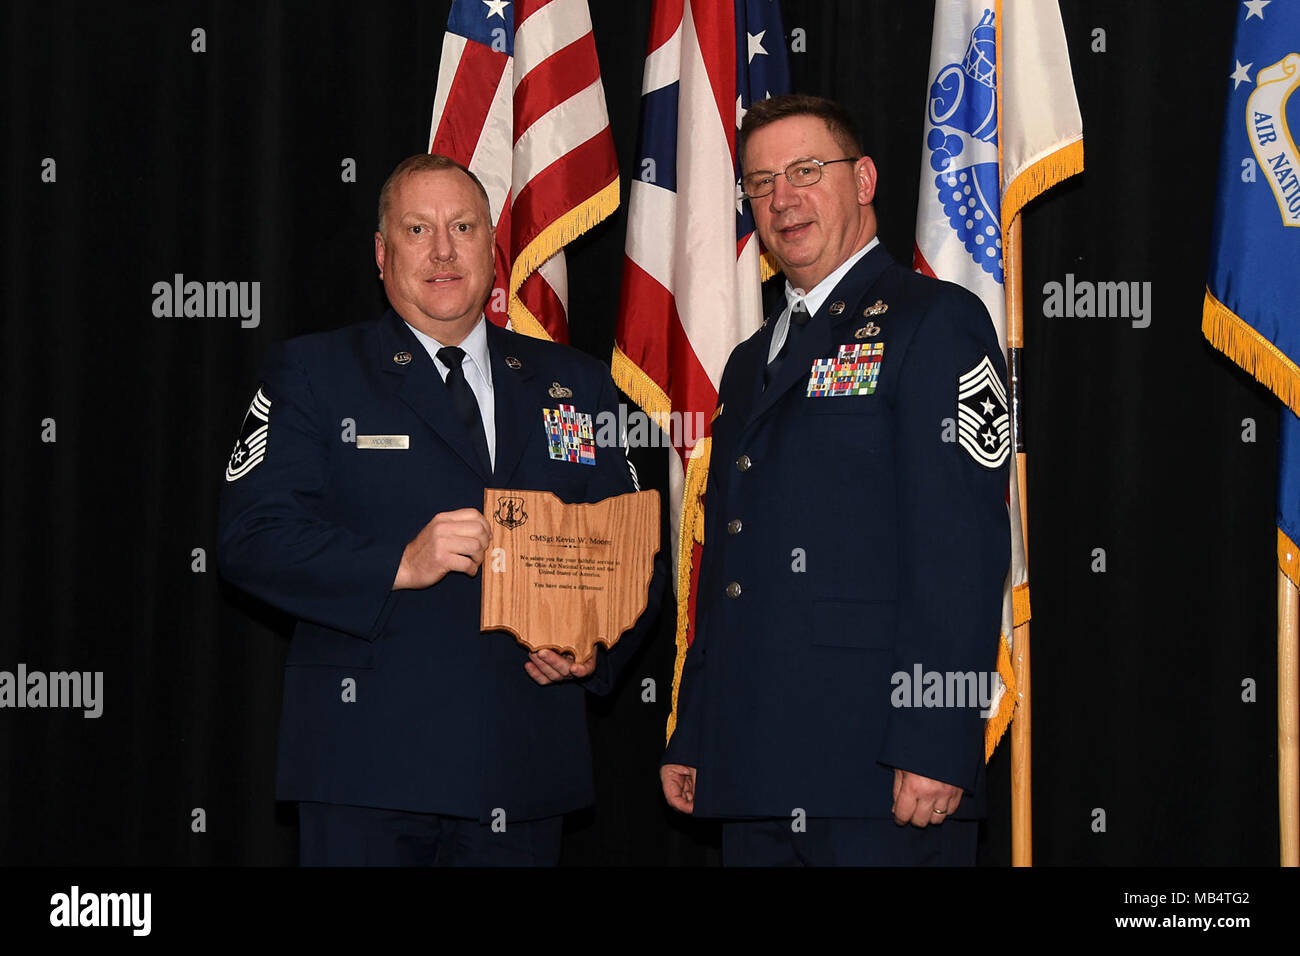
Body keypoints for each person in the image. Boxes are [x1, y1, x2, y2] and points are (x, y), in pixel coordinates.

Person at [219, 154, 663, 866]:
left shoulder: (576, 383)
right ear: (382, 252)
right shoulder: (314, 373)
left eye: (462, 227)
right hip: (368, 770)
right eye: (417, 229)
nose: (443, 251)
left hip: (523, 765)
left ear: (493, 247)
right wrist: (397, 563)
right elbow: (252, 538)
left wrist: (596, 642)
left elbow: (637, 548)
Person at [659, 94, 1010, 865]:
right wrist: (696, 728)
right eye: (761, 183)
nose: (782, 198)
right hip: (751, 765)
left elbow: (960, 548)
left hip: (879, 773)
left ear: (864, 180)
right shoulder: (749, 361)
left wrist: (937, 737)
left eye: (806, 171)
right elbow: (728, 562)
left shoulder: (935, 321)